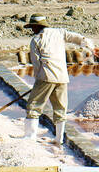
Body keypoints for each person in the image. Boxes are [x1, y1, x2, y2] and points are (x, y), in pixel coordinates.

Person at [22, 15, 94, 145]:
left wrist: (38, 82)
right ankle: (58, 139)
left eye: (32, 26)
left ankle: (30, 138)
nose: (32, 29)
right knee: (60, 108)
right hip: (62, 76)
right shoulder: (59, 32)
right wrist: (89, 46)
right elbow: (78, 38)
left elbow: (37, 63)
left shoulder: (36, 40)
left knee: (33, 106)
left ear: (37, 26)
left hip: (46, 76)